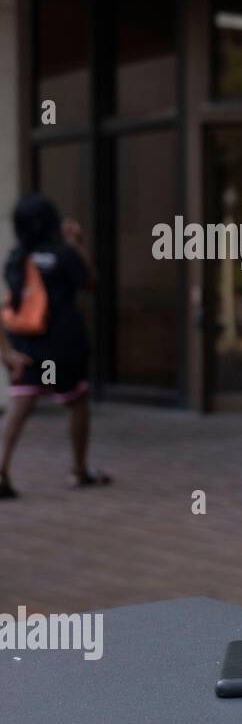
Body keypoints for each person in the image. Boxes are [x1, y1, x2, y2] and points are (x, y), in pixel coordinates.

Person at [1, 195, 109, 498]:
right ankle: (78, 471)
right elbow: (90, 283)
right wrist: (78, 243)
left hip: (27, 350)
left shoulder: (15, 258)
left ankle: (1, 471)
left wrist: (6, 352)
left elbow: (11, 302)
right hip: (61, 347)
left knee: (20, 406)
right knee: (75, 401)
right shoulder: (63, 254)